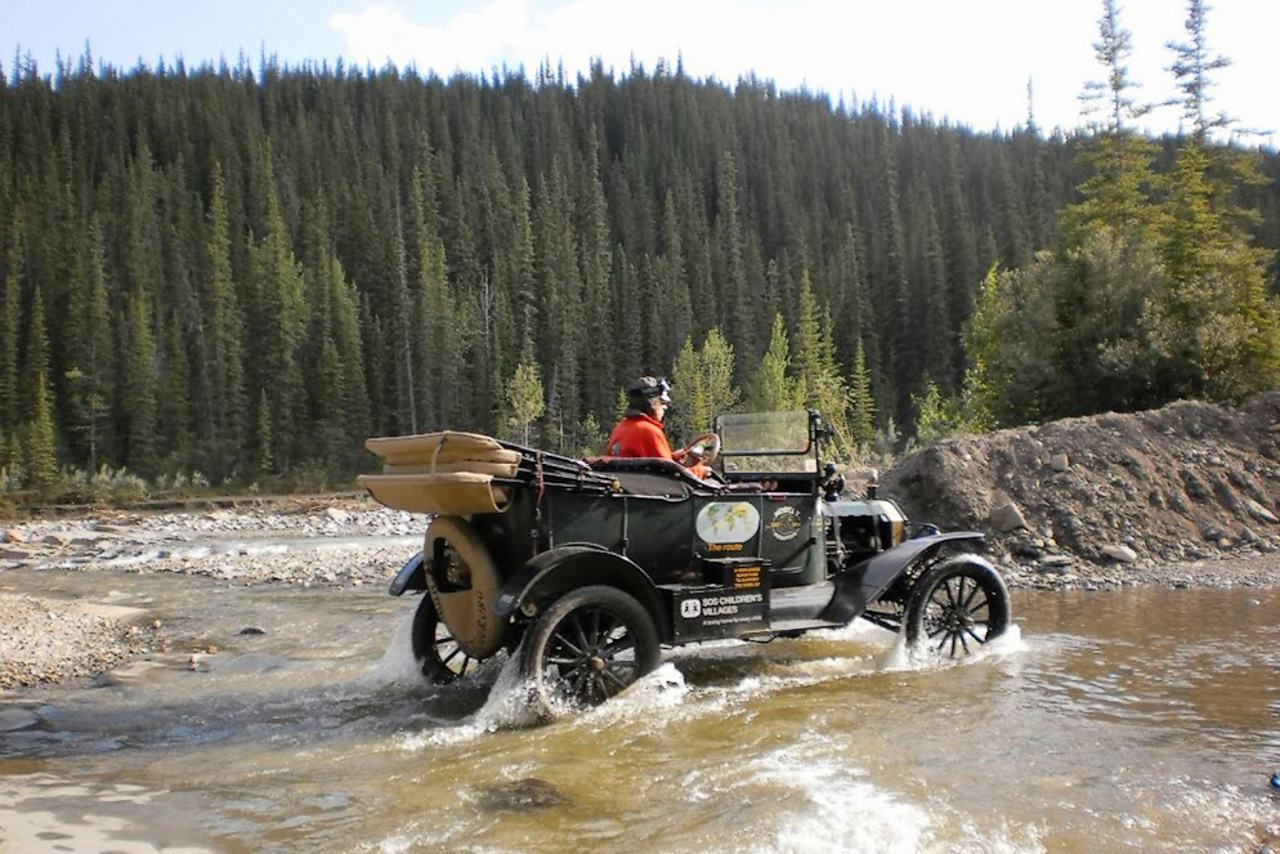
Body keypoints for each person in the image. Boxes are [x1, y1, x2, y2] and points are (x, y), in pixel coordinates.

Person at [604, 376, 712, 479]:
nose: (665, 407)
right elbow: (671, 476)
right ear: (652, 403)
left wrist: (672, 457)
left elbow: (647, 462)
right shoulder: (649, 431)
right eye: (662, 402)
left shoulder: (620, 428)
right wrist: (699, 471)